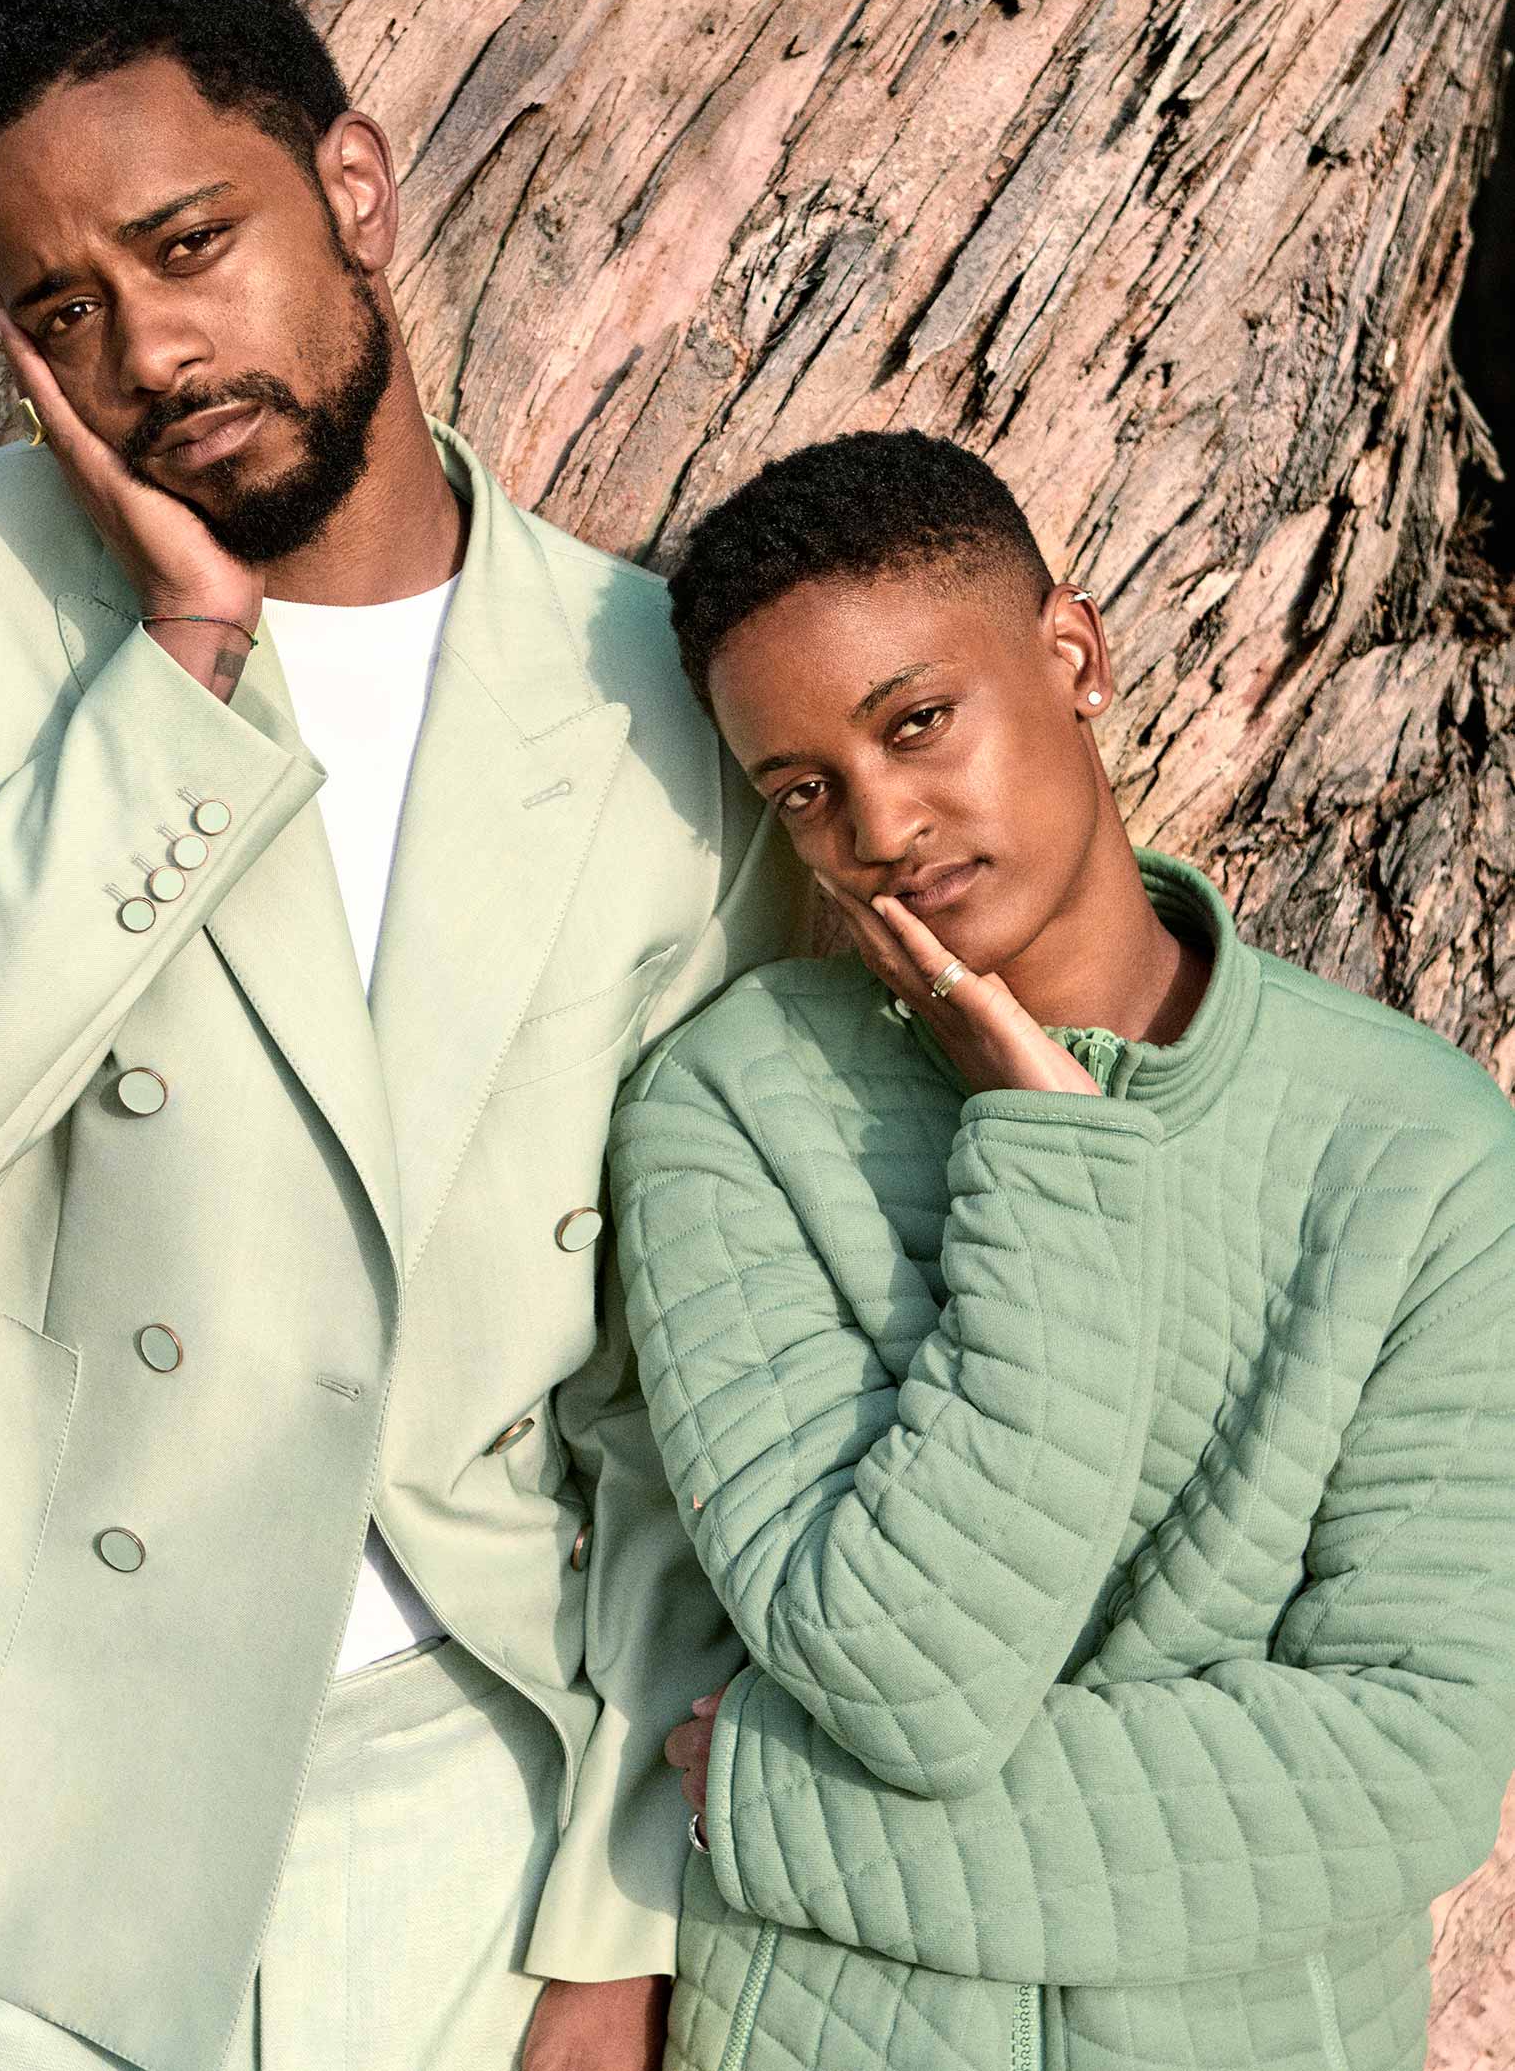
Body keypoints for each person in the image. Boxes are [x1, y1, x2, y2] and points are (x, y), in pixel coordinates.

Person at [0, 0, 807, 2071]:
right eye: (63, 313)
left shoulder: (656, 698)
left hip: (455, 1790)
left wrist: (609, 1922)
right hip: (0, 1789)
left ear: (357, 190)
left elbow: (681, 1386)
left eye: (189, 241)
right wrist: (179, 668)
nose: (150, 347)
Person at [606, 428, 1515, 2071]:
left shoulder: (1420, 1149)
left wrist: (782, 1809)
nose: (877, 823)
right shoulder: (736, 1106)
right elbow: (903, 1673)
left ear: (1072, 655)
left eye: (916, 722)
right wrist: (1048, 1161)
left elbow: (1409, 1762)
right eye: (801, 791)